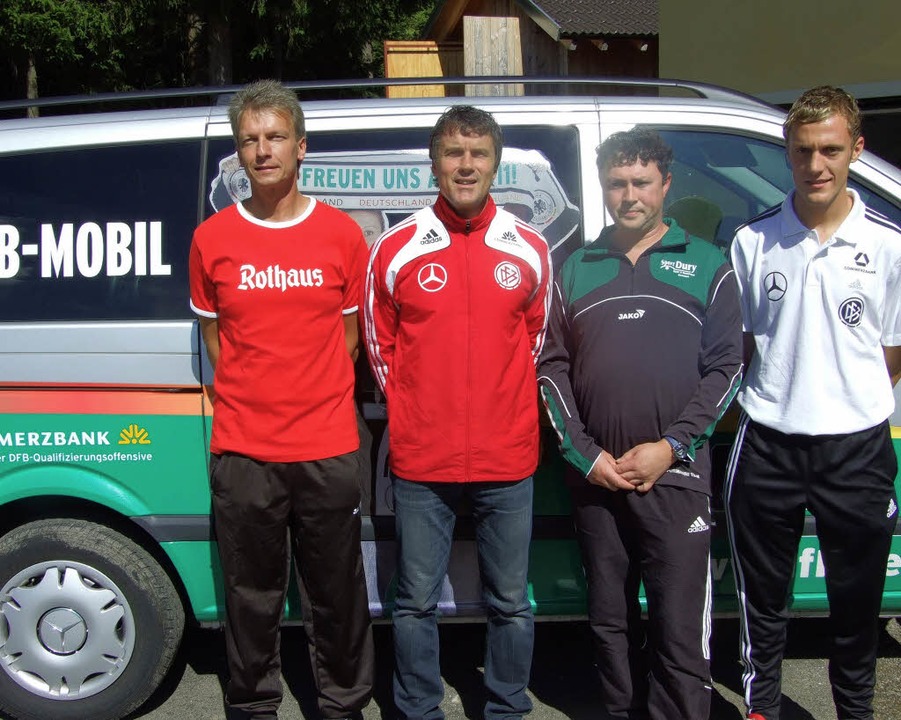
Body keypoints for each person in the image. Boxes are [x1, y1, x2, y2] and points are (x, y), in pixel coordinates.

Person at [538, 127, 743, 720]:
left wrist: (672, 447)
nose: (628, 195)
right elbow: (551, 369)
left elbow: (726, 369)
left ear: (665, 185)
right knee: (610, 627)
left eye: (641, 182)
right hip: (597, 481)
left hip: (675, 479)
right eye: (616, 183)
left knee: (680, 636)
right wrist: (586, 457)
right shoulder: (575, 268)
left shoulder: (707, 264)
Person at [188, 79, 373, 720]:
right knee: (250, 593)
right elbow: (216, 338)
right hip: (244, 449)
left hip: (327, 446)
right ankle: (253, 704)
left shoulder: (342, 235)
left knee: (337, 593)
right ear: (239, 153)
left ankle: (343, 704)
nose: (262, 150)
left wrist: (306, 388)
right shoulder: (212, 239)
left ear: (300, 147)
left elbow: (349, 338)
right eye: (249, 140)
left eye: (274, 137)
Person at [363, 105, 551, 720]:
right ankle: (418, 709)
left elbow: (533, 339)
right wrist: (419, 410)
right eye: (452, 152)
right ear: (434, 161)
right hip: (423, 457)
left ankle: (506, 707)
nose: (465, 165)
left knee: (510, 601)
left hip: (507, 454)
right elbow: (379, 345)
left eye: (478, 153)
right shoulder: (396, 246)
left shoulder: (528, 248)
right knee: (413, 600)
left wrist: (499, 405)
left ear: (496, 163)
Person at [726, 86, 901, 720]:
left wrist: (841, 396)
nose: (816, 165)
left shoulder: (889, 246)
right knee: (763, 606)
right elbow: (744, 346)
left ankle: (855, 712)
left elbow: (889, 352)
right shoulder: (753, 243)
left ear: (857, 148)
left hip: (856, 448)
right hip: (769, 441)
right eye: (803, 151)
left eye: (830, 149)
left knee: (856, 610)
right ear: (787, 152)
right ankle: (762, 710)